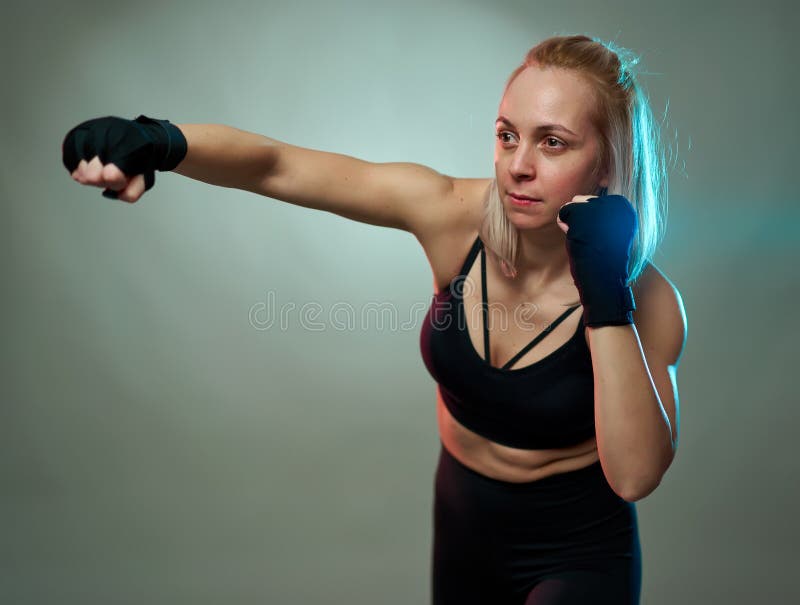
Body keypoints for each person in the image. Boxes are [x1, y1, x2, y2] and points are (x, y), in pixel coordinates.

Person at [62, 33, 686, 605]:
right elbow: (277, 165)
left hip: (579, 552)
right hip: (466, 525)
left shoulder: (647, 300)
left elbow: (633, 475)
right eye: (506, 135)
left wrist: (605, 295)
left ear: (606, 161)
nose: (518, 165)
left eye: (552, 142)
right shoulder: (451, 216)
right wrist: (160, 142)